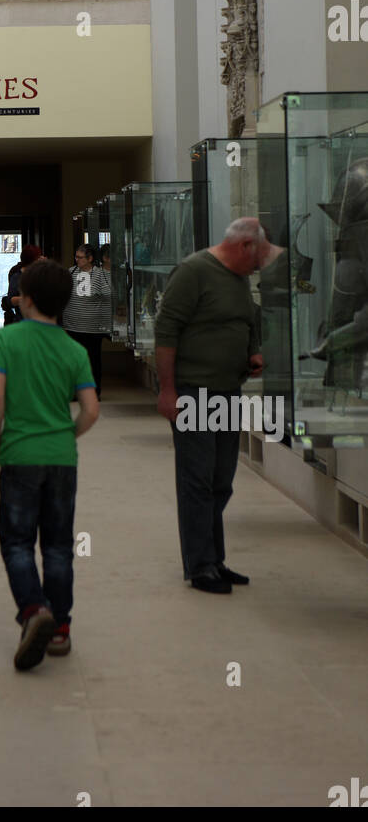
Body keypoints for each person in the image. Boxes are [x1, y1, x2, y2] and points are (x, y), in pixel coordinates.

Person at [0, 259, 100, 670]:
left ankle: (35, 612)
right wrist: (67, 436)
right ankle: (61, 629)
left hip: (19, 455)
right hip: (61, 460)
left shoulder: (8, 340)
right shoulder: (73, 349)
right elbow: (90, 409)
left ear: (25, 299)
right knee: (58, 545)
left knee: (16, 541)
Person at [155, 216, 270, 596]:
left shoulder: (238, 278)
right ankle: (200, 565)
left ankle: (214, 558)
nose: (258, 267)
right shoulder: (193, 272)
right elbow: (166, 329)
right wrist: (167, 389)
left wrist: (252, 352)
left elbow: (249, 321)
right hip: (193, 392)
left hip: (227, 392)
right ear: (244, 247)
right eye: (257, 259)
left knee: (221, 479)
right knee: (196, 480)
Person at [62, 244, 111, 398]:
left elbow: (109, 295)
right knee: (73, 361)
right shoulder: (71, 272)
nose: (77, 260)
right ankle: (75, 392)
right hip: (72, 324)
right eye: (76, 257)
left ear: (90, 258)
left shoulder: (100, 274)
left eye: (80, 257)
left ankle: (94, 392)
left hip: (92, 327)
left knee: (93, 361)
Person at [7, 244, 42, 319]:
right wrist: (29, 299)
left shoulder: (42, 274)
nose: (40, 259)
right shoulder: (17, 277)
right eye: (38, 257)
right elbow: (11, 301)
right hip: (23, 319)